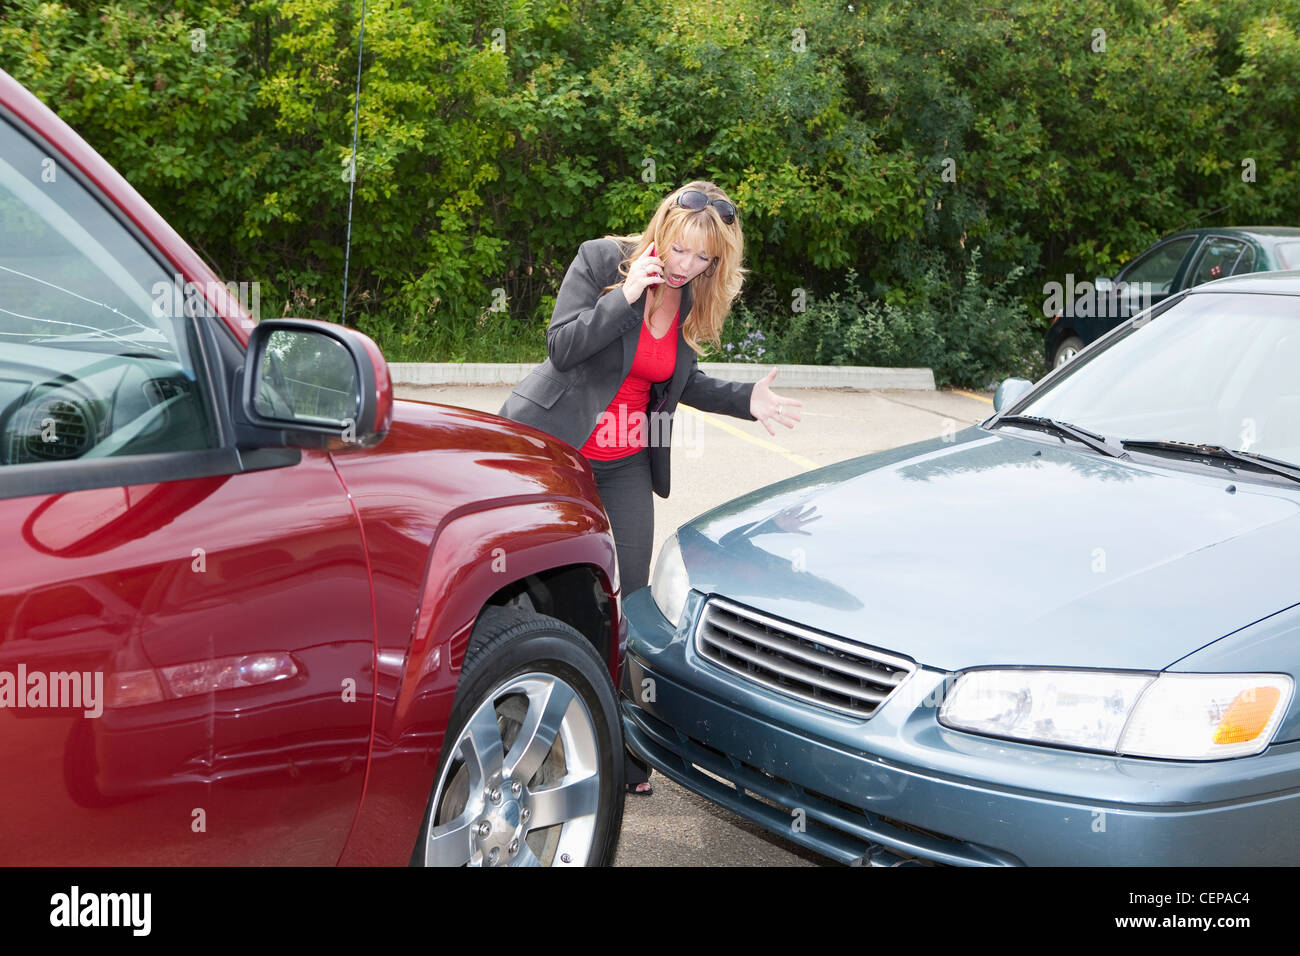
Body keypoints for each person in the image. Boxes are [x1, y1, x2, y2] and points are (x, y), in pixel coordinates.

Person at [497, 180, 803, 794]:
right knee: (534, 588)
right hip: (557, 447)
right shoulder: (601, 260)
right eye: (682, 249)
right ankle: (511, 707)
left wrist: (746, 398)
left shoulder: (688, 300)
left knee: (627, 601)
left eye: (703, 259)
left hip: (626, 459)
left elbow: (676, 381)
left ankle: (618, 742)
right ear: (663, 225)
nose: (687, 266)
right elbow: (562, 348)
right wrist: (628, 294)